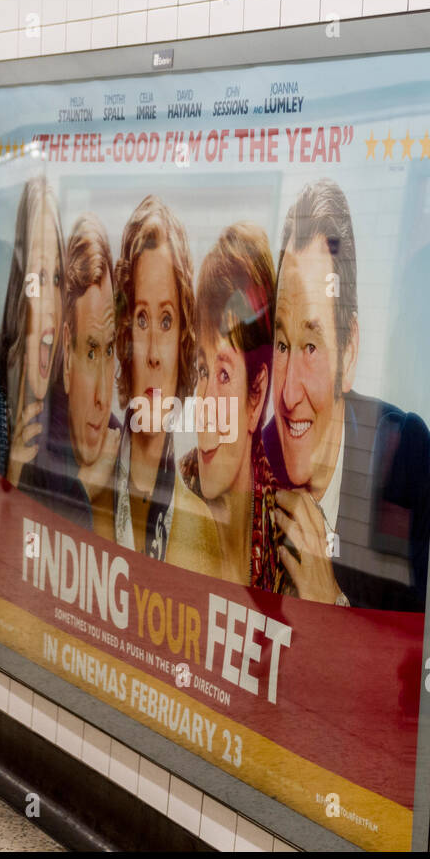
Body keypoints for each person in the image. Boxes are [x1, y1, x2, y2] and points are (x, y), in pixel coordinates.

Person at [263, 179, 430, 612]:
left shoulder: (404, 457)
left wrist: (329, 601)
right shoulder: (257, 457)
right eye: (282, 345)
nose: (287, 393)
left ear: (350, 351)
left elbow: (414, 653)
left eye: (311, 346)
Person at [166, 223, 282, 591]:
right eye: (203, 369)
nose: (204, 404)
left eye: (224, 374)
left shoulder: (287, 535)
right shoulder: (169, 498)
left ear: (257, 394)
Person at [18, 213, 120, 537]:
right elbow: (27, 551)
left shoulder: (123, 443)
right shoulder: (38, 442)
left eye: (108, 351)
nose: (103, 398)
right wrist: (87, 489)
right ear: (67, 356)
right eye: (90, 353)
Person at [111, 196, 198, 560]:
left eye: (165, 321)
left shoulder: (201, 518)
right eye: (142, 319)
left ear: (183, 337)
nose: (151, 353)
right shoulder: (92, 474)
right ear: (125, 333)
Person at [0, 175, 64, 487]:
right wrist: (11, 471)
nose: (51, 303)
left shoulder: (70, 397)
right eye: (39, 276)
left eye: (57, 278)